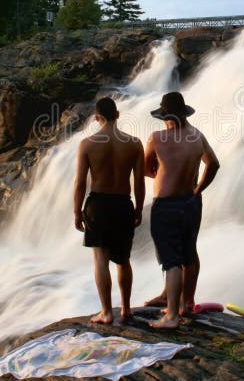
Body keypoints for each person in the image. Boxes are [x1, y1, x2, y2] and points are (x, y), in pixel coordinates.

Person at [145, 92, 220, 329]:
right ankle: (187, 302)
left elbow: (145, 168)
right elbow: (214, 164)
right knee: (189, 253)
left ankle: (172, 315)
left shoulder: (157, 138)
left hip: (166, 204)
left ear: (166, 117)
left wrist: (159, 173)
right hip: (191, 201)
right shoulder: (197, 136)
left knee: (171, 260)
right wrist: (199, 188)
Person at [74, 97, 145, 324]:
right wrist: (139, 208)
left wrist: (77, 211)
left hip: (99, 205)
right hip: (123, 203)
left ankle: (106, 312)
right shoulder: (134, 143)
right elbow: (139, 182)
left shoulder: (87, 144)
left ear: (97, 117)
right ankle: (125, 309)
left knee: (101, 259)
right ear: (118, 114)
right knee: (123, 260)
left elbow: (80, 183)